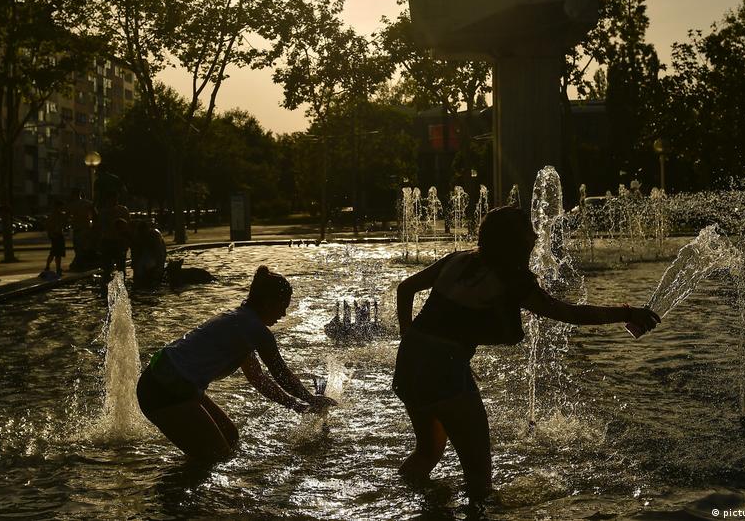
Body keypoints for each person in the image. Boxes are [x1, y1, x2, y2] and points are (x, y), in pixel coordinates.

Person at [392, 205, 661, 502]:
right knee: (479, 481)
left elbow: (405, 289)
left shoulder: (458, 259)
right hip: (444, 372)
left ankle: (401, 502)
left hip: (409, 363)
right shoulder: (512, 279)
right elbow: (569, 314)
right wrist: (627, 313)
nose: (535, 237)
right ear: (515, 242)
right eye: (529, 232)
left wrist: (410, 338)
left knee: (427, 453)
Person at [137, 266, 338, 460]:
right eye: (282, 307)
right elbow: (281, 374)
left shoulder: (241, 322)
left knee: (230, 438)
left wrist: (297, 406)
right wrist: (311, 399)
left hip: (169, 381)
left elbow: (258, 379)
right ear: (268, 303)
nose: (283, 314)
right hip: (163, 389)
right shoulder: (256, 330)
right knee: (216, 455)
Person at [67, 188, 95, 271]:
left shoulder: (72, 205)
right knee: (84, 248)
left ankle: (79, 265)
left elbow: (67, 216)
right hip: (87, 228)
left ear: (73, 195)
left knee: (78, 248)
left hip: (78, 229)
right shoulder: (88, 203)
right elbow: (95, 214)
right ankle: (81, 265)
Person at [44, 198, 67, 277]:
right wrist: (51, 233)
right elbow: (48, 226)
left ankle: (51, 267)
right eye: (61, 207)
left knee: (55, 253)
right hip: (56, 235)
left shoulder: (58, 215)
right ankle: (56, 268)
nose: (62, 208)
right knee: (56, 253)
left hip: (57, 235)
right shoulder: (54, 215)